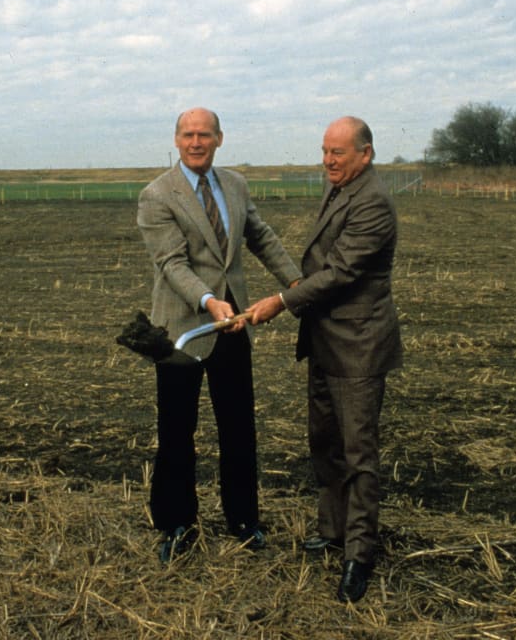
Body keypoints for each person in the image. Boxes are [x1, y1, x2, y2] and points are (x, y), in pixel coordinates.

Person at [247, 116, 402, 602]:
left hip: (357, 344)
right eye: (325, 151)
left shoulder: (373, 201)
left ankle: (359, 554)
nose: (328, 160)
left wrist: (282, 300)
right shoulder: (341, 189)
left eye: (338, 153)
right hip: (326, 341)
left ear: (366, 154)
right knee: (325, 442)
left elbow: (339, 272)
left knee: (358, 453)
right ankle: (332, 530)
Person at [136, 107, 301, 564]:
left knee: (238, 429)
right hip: (183, 332)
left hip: (234, 326)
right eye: (188, 135)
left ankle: (244, 519)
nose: (196, 142)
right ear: (175, 140)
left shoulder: (236, 185)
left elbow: (261, 236)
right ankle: (176, 523)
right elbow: (171, 264)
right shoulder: (156, 195)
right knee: (176, 432)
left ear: (219, 139)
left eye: (204, 135)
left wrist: (296, 285)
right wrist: (209, 300)